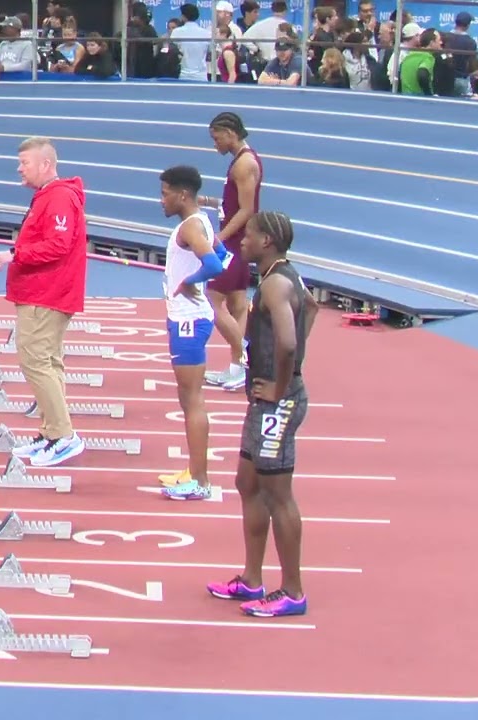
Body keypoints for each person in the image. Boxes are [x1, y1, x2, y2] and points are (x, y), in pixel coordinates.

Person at [206, 211, 317, 618]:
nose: (242, 243)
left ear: (267, 240)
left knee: (277, 493)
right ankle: (252, 580)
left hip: (277, 402)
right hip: (266, 400)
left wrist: (281, 384)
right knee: (246, 482)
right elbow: (311, 309)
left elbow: (287, 341)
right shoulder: (287, 275)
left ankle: (293, 590)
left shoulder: (273, 284)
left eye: (248, 236)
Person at [0, 137, 87, 468]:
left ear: (45, 164)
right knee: (48, 362)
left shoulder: (57, 197)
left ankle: (62, 436)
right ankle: (52, 431)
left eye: (25, 162)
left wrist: (15, 254)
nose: (19, 168)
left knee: (36, 361)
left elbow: (57, 244)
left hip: (46, 293)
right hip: (45, 291)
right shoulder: (50, 196)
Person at [154, 166, 232, 501]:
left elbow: (215, 265)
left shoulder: (189, 226)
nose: (161, 200)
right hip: (188, 318)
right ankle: (193, 470)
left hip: (189, 321)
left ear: (182, 194)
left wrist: (189, 282)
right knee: (189, 399)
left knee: (192, 400)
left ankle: (200, 480)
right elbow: (225, 256)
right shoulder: (201, 221)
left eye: (165, 192)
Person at [198, 111, 263, 391]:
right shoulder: (241, 161)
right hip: (236, 241)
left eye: (216, 138)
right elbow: (234, 203)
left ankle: (245, 360)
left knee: (211, 301)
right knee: (237, 305)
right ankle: (237, 368)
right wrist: (210, 201)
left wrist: (219, 239)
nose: (215, 144)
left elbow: (248, 210)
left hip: (235, 245)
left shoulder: (244, 164)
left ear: (230, 133)